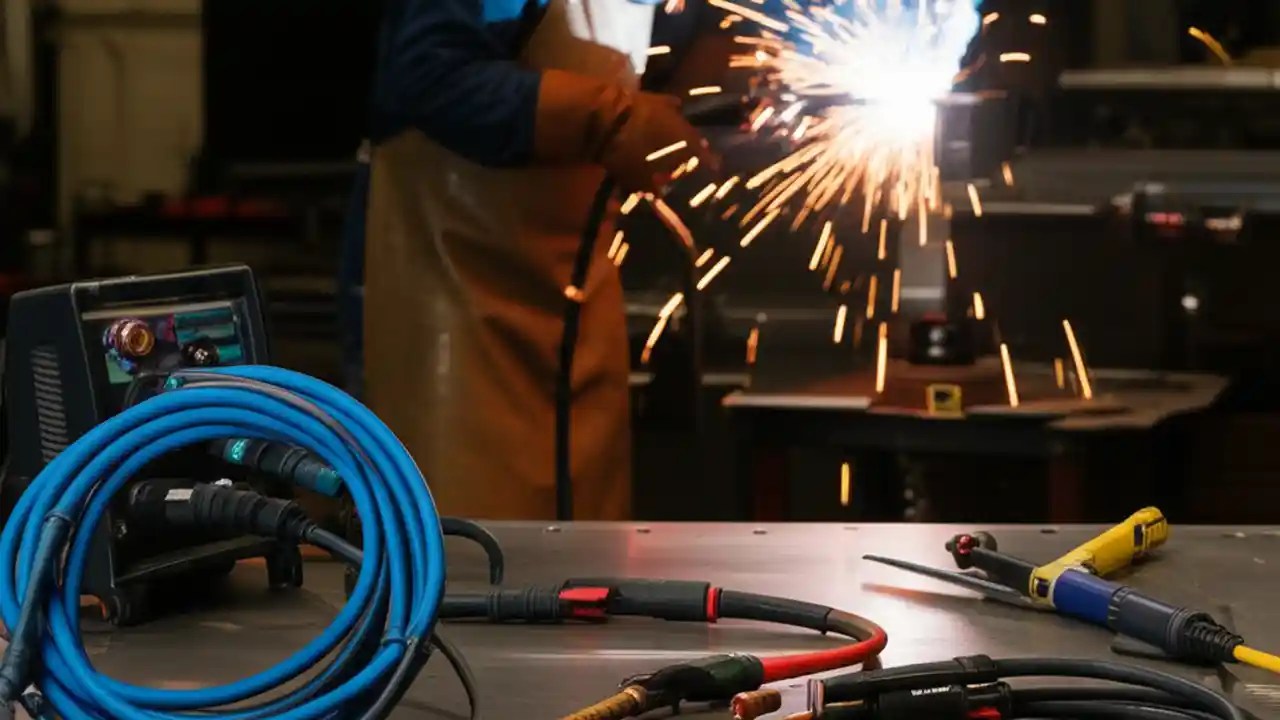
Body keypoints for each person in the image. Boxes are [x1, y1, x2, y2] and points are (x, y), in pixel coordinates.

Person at [359, 0, 714, 520]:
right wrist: (608, 120)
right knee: (473, 566)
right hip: (459, 313)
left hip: (578, 306)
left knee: (589, 569)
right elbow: (427, 77)